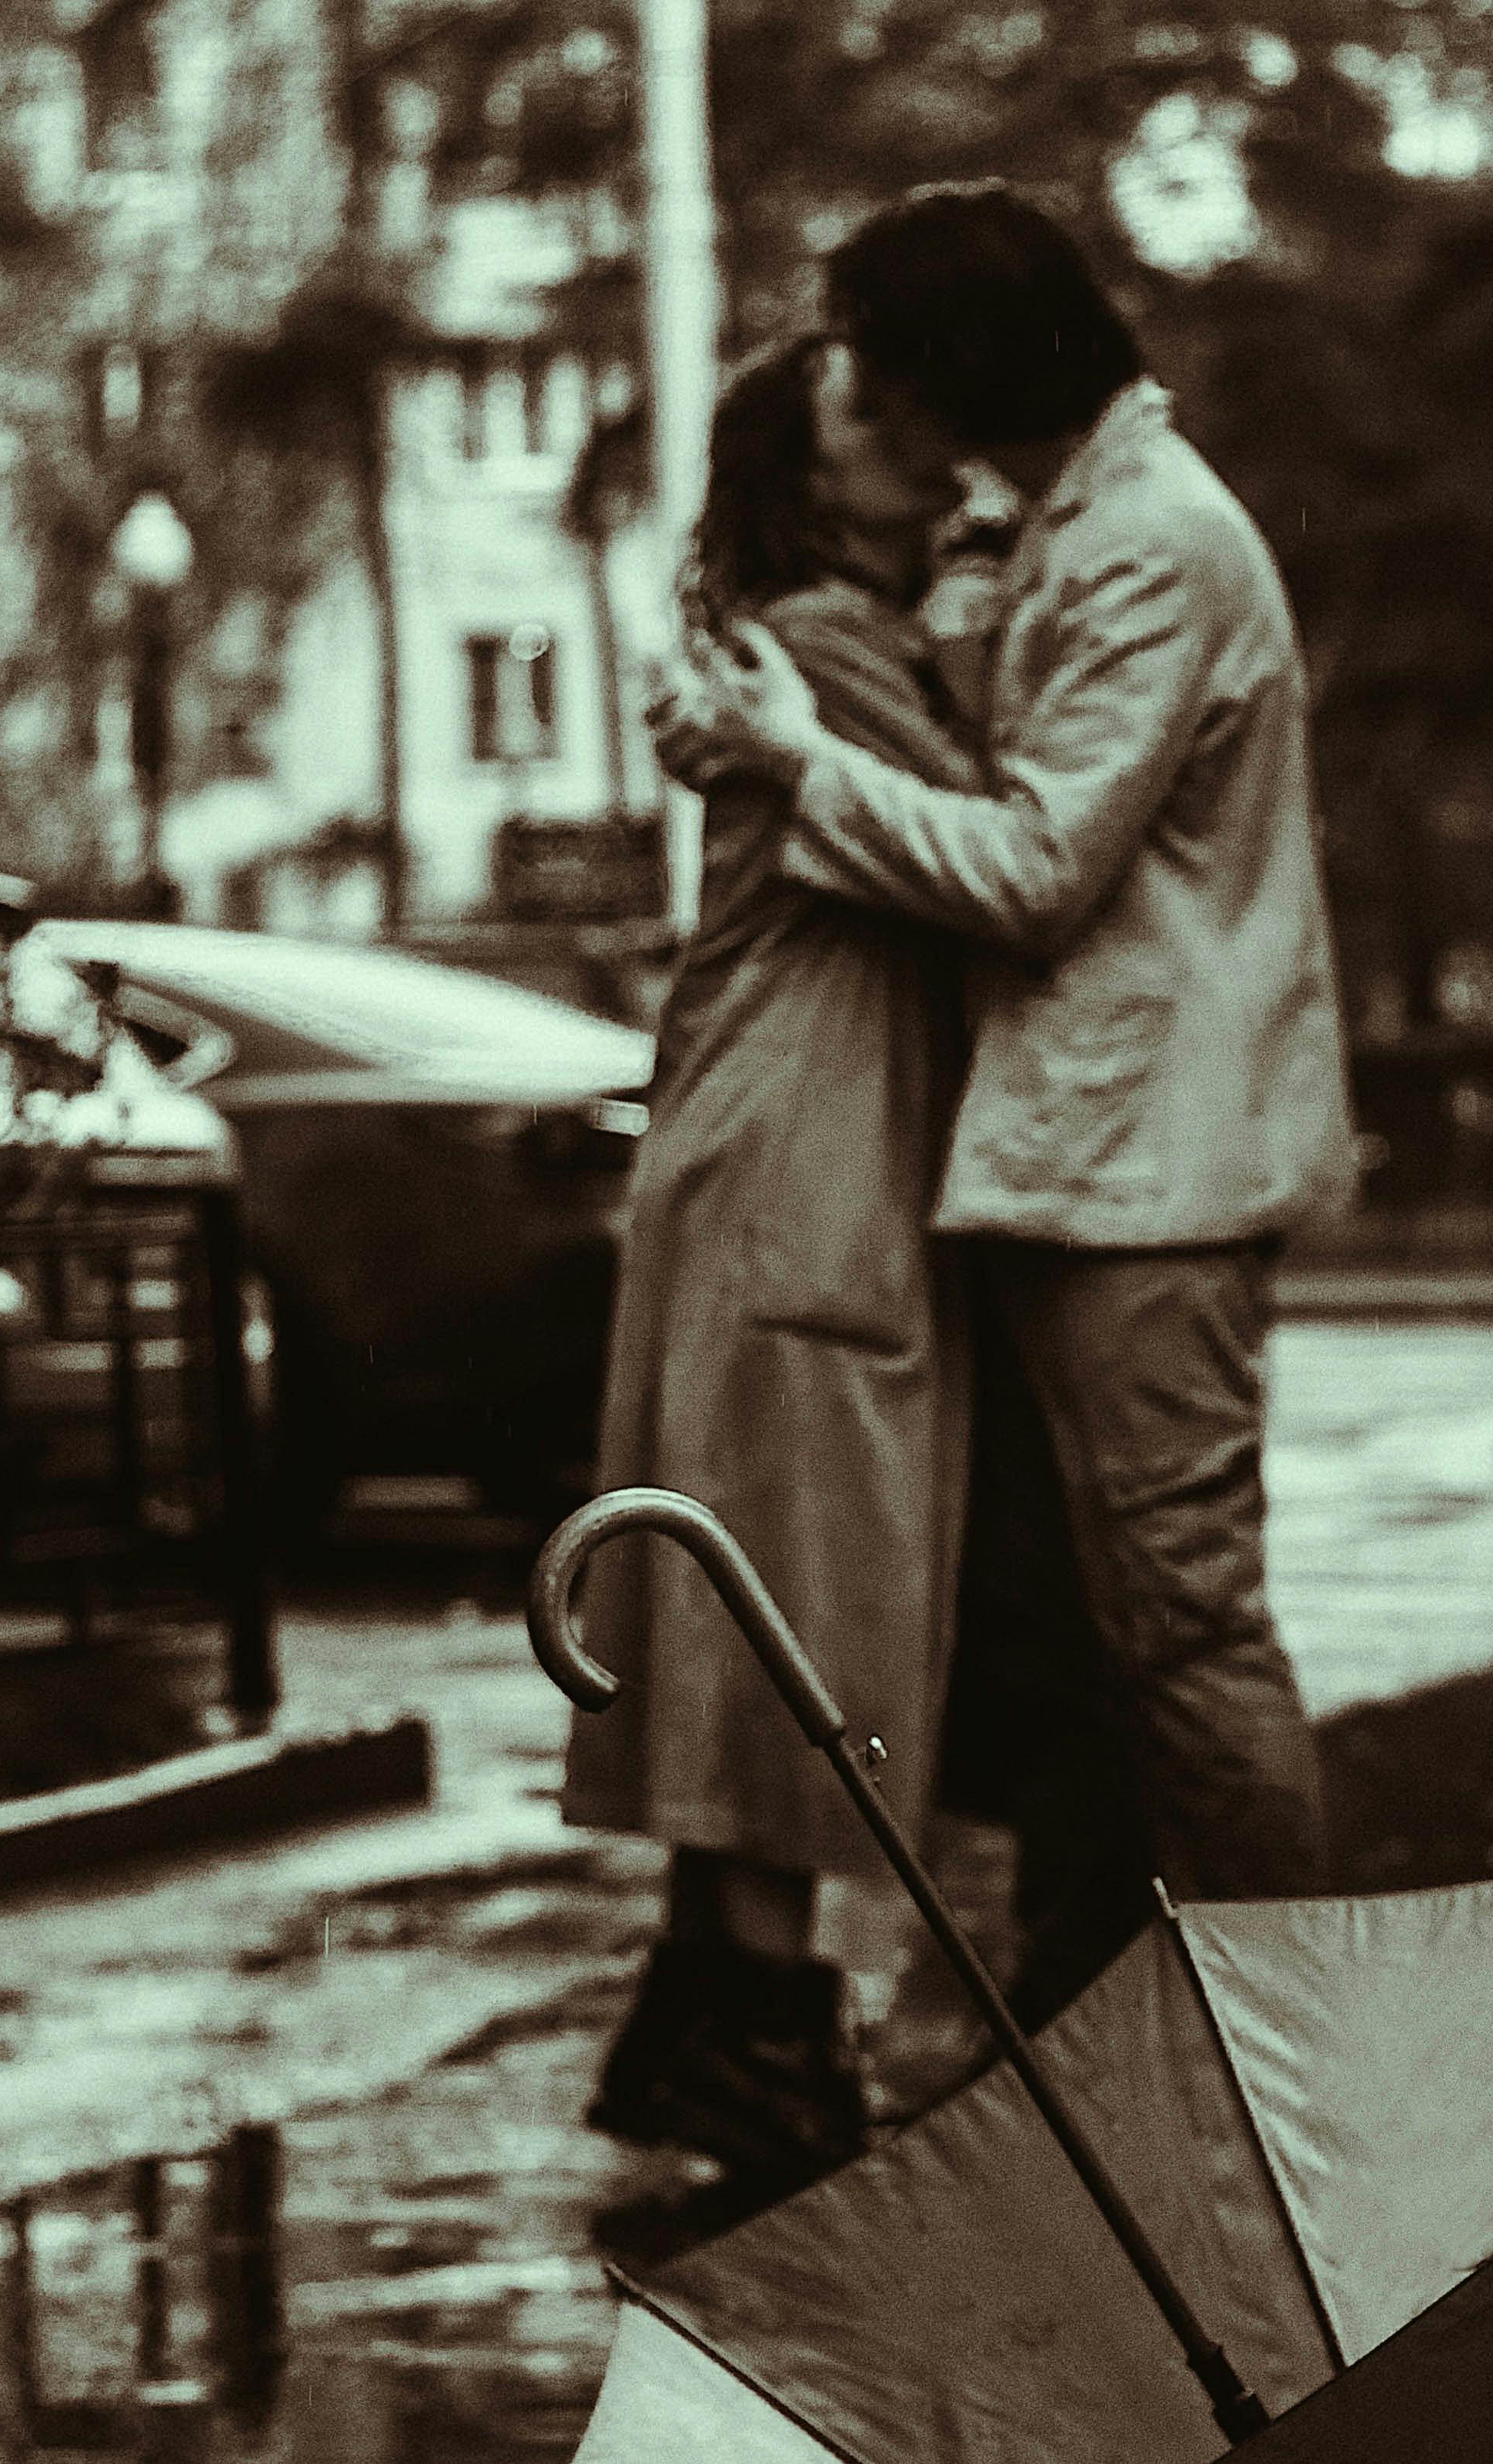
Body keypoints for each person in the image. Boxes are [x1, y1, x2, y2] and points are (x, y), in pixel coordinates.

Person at [652, 183, 1358, 2028]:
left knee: (1181, 1629)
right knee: (1104, 1642)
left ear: (970, 375)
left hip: (1146, 1168)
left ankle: (1297, 2025)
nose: (887, 425)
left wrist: (792, 754)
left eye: (891, 384)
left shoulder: (1147, 545)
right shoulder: (1070, 529)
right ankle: (1116, 2001)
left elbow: (1040, 858)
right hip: (1076, 1161)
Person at [564, 330, 983, 2188]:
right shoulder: (818, 650)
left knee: (776, 1618)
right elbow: (1010, 843)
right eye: (871, 416)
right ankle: (749, 2041)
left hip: (790, 1158)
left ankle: (727, 2030)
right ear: (809, 480)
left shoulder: (812, 646)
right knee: (785, 1623)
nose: (916, 430)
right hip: (794, 1174)